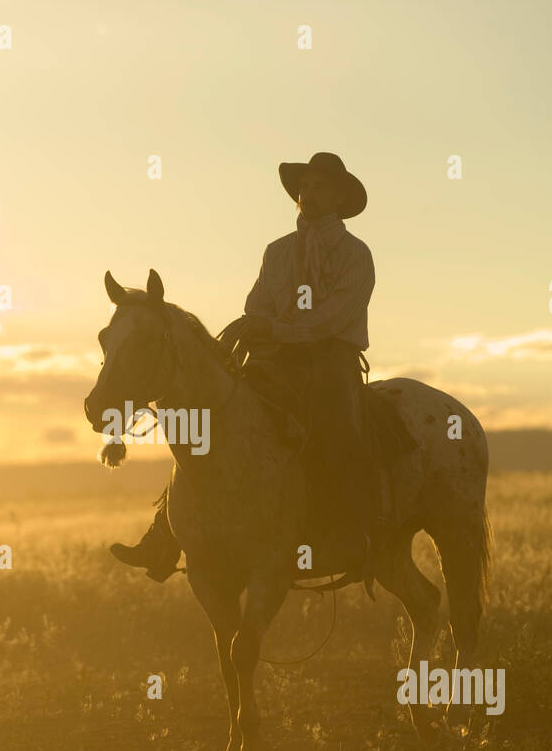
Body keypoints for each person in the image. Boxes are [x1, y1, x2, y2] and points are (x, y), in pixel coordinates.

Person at [110, 152, 377, 582]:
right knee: (213, 416)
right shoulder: (277, 253)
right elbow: (257, 305)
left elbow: (331, 319)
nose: (308, 193)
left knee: (337, 427)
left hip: (331, 363)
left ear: (339, 197)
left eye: (319, 187)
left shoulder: (356, 256)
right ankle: (166, 532)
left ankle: (345, 531)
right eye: (304, 186)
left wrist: (273, 327)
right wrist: (259, 326)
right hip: (276, 360)